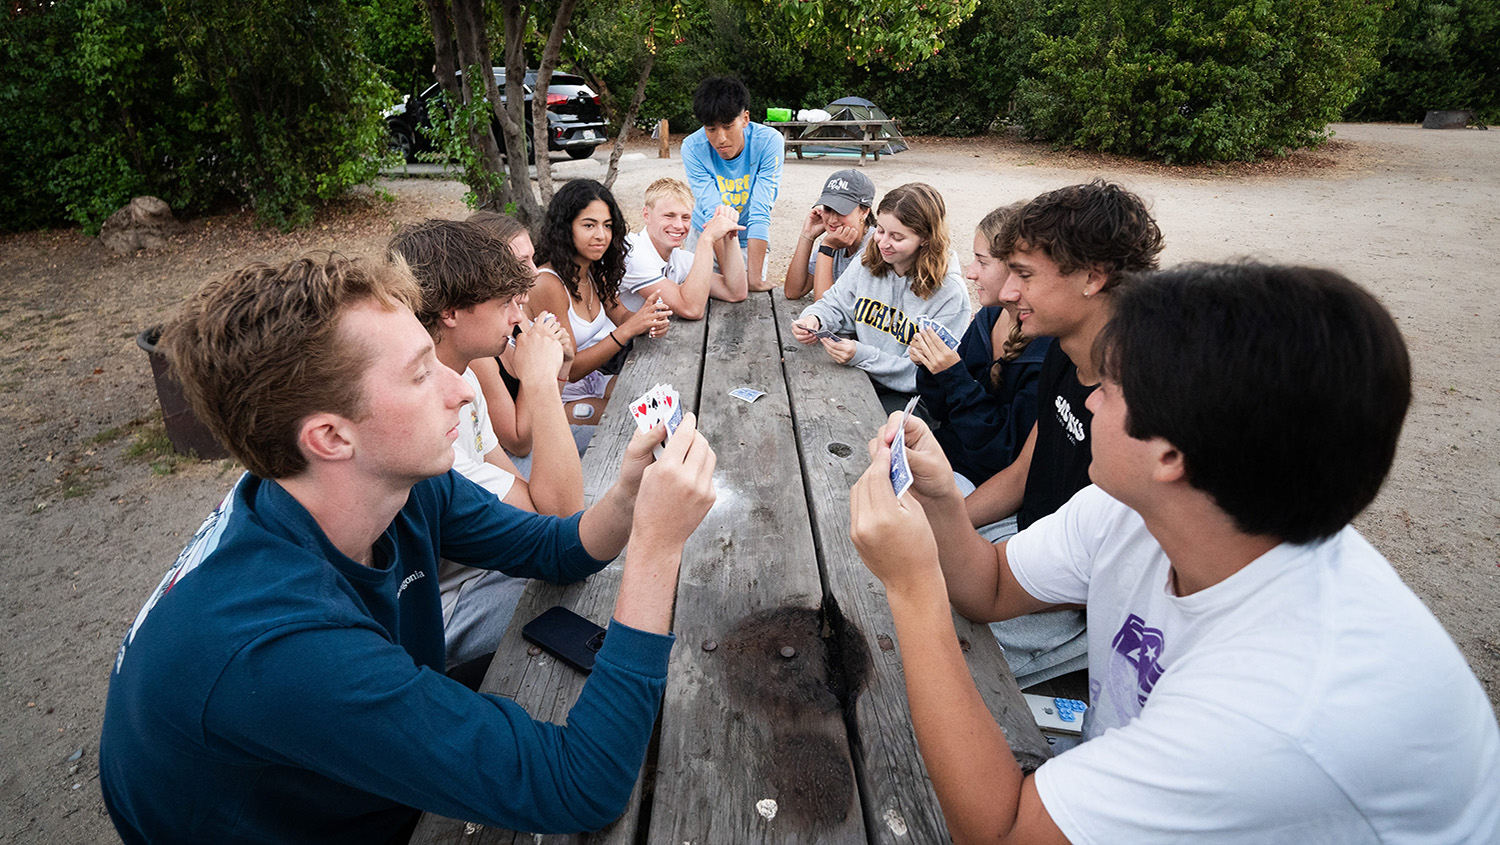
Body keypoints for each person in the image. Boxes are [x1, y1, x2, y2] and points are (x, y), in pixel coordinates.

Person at [848, 261, 1500, 843]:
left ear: (1169, 455)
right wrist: (938, 501)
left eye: (1108, 384)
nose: (1088, 398)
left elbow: (1003, 831)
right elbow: (988, 583)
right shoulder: (1153, 504)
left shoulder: (1283, 710)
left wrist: (912, 586)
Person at [99, 253, 717, 844]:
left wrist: (630, 498)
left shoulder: (387, 484)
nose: (463, 390)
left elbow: (556, 549)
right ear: (331, 436)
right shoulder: (280, 645)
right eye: (421, 373)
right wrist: (658, 550)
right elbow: (584, 786)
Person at [960, 180, 1164, 688]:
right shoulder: (1062, 350)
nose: (1007, 292)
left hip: (1068, 595)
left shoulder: (1142, 405)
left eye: (1025, 275)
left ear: (1093, 278)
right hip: (1025, 546)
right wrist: (946, 525)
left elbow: (1121, 573)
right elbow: (1022, 474)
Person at [389, 218, 584, 670]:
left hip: (486, 570)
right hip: (450, 609)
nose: (519, 317)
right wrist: (539, 380)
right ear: (451, 313)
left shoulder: (466, 377)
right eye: (506, 303)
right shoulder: (425, 423)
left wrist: (549, 375)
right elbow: (561, 517)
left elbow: (530, 499)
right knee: (585, 590)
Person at [791, 182, 970, 414]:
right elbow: (835, 303)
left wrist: (860, 355)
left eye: (897, 237)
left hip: (911, 398)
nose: (883, 243)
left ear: (925, 238)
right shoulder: (869, 258)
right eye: (881, 231)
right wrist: (815, 319)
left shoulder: (950, 293)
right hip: (863, 373)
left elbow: (919, 373)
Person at [912, 204, 1050, 491]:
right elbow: (941, 410)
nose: (971, 273)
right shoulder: (988, 319)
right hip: (945, 457)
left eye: (981, 262)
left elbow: (1000, 453)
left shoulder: (1045, 355)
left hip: (981, 485)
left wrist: (953, 375)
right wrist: (930, 367)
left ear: (1017, 270)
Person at [527, 179, 670, 433]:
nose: (601, 235)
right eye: (588, 225)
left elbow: (622, 315)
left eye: (607, 226)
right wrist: (628, 330)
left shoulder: (593, 271)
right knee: (636, 425)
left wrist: (647, 320)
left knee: (661, 406)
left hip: (593, 380)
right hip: (556, 397)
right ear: (564, 228)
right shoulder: (547, 283)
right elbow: (570, 369)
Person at [464, 209, 557, 464]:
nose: (535, 272)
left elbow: (549, 405)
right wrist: (537, 367)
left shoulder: (518, 313)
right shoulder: (476, 348)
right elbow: (519, 443)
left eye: (532, 259)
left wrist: (563, 361)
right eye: (522, 262)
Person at [680, 76, 784, 291]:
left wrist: (753, 280)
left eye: (728, 127)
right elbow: (713, 214)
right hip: (707, 236)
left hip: (748, 238)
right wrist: (732, 281)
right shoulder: (692, 147)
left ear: (745, 119)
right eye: (711, 129)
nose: (721, 139)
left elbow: (760, 210)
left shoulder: (769, 142)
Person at [618, 177, 748, 318]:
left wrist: (730, 233)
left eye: (685, 218)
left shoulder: (677, 256)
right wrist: (706, 239)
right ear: (646, 215)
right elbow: (691, 310)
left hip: (643, 338)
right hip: (608, 338)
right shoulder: (632, 251)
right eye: (669, 216)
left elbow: (734, 292)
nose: (679, 225)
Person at [783, 168, 877, 301]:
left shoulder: (874, 248)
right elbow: (793, 291)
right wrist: (807, 236)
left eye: (842, 211)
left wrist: (827, 249)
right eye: (828, 209)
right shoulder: (837, 239)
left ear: (864, 212)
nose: (832, 220)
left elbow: (825, 307)